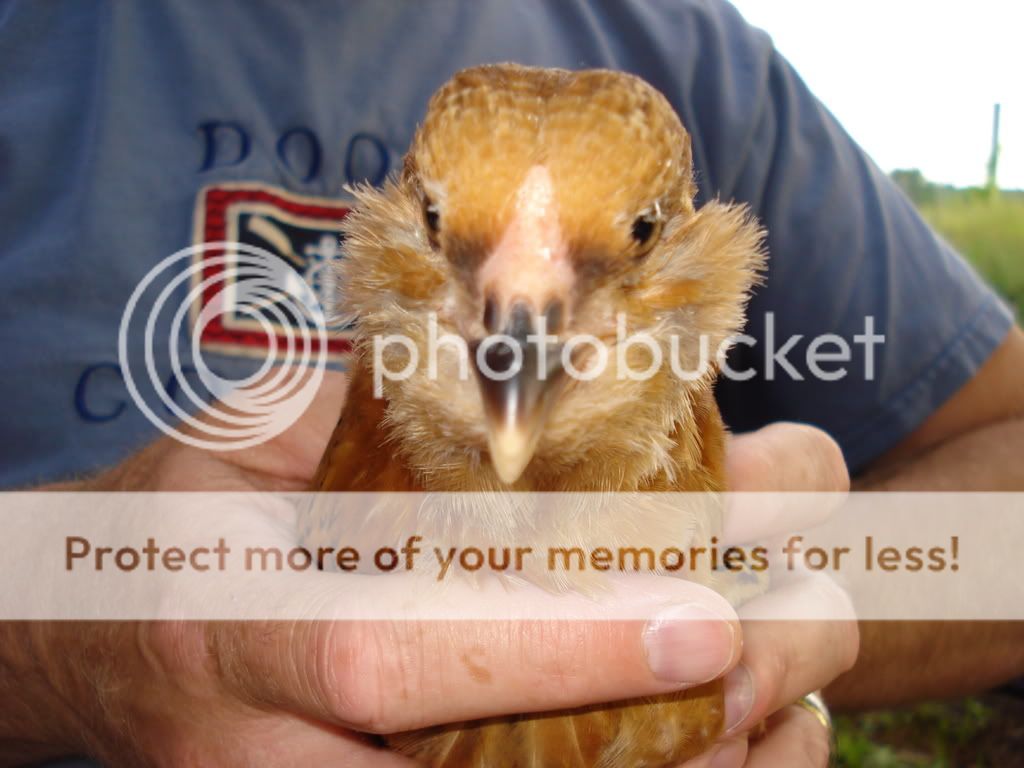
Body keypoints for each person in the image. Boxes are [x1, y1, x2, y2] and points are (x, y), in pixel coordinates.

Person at [0, 1, 1020, 766]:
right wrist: (56, 624)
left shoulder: (697, 47)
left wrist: (759, 646)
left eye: (633, 239)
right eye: (447, 235)